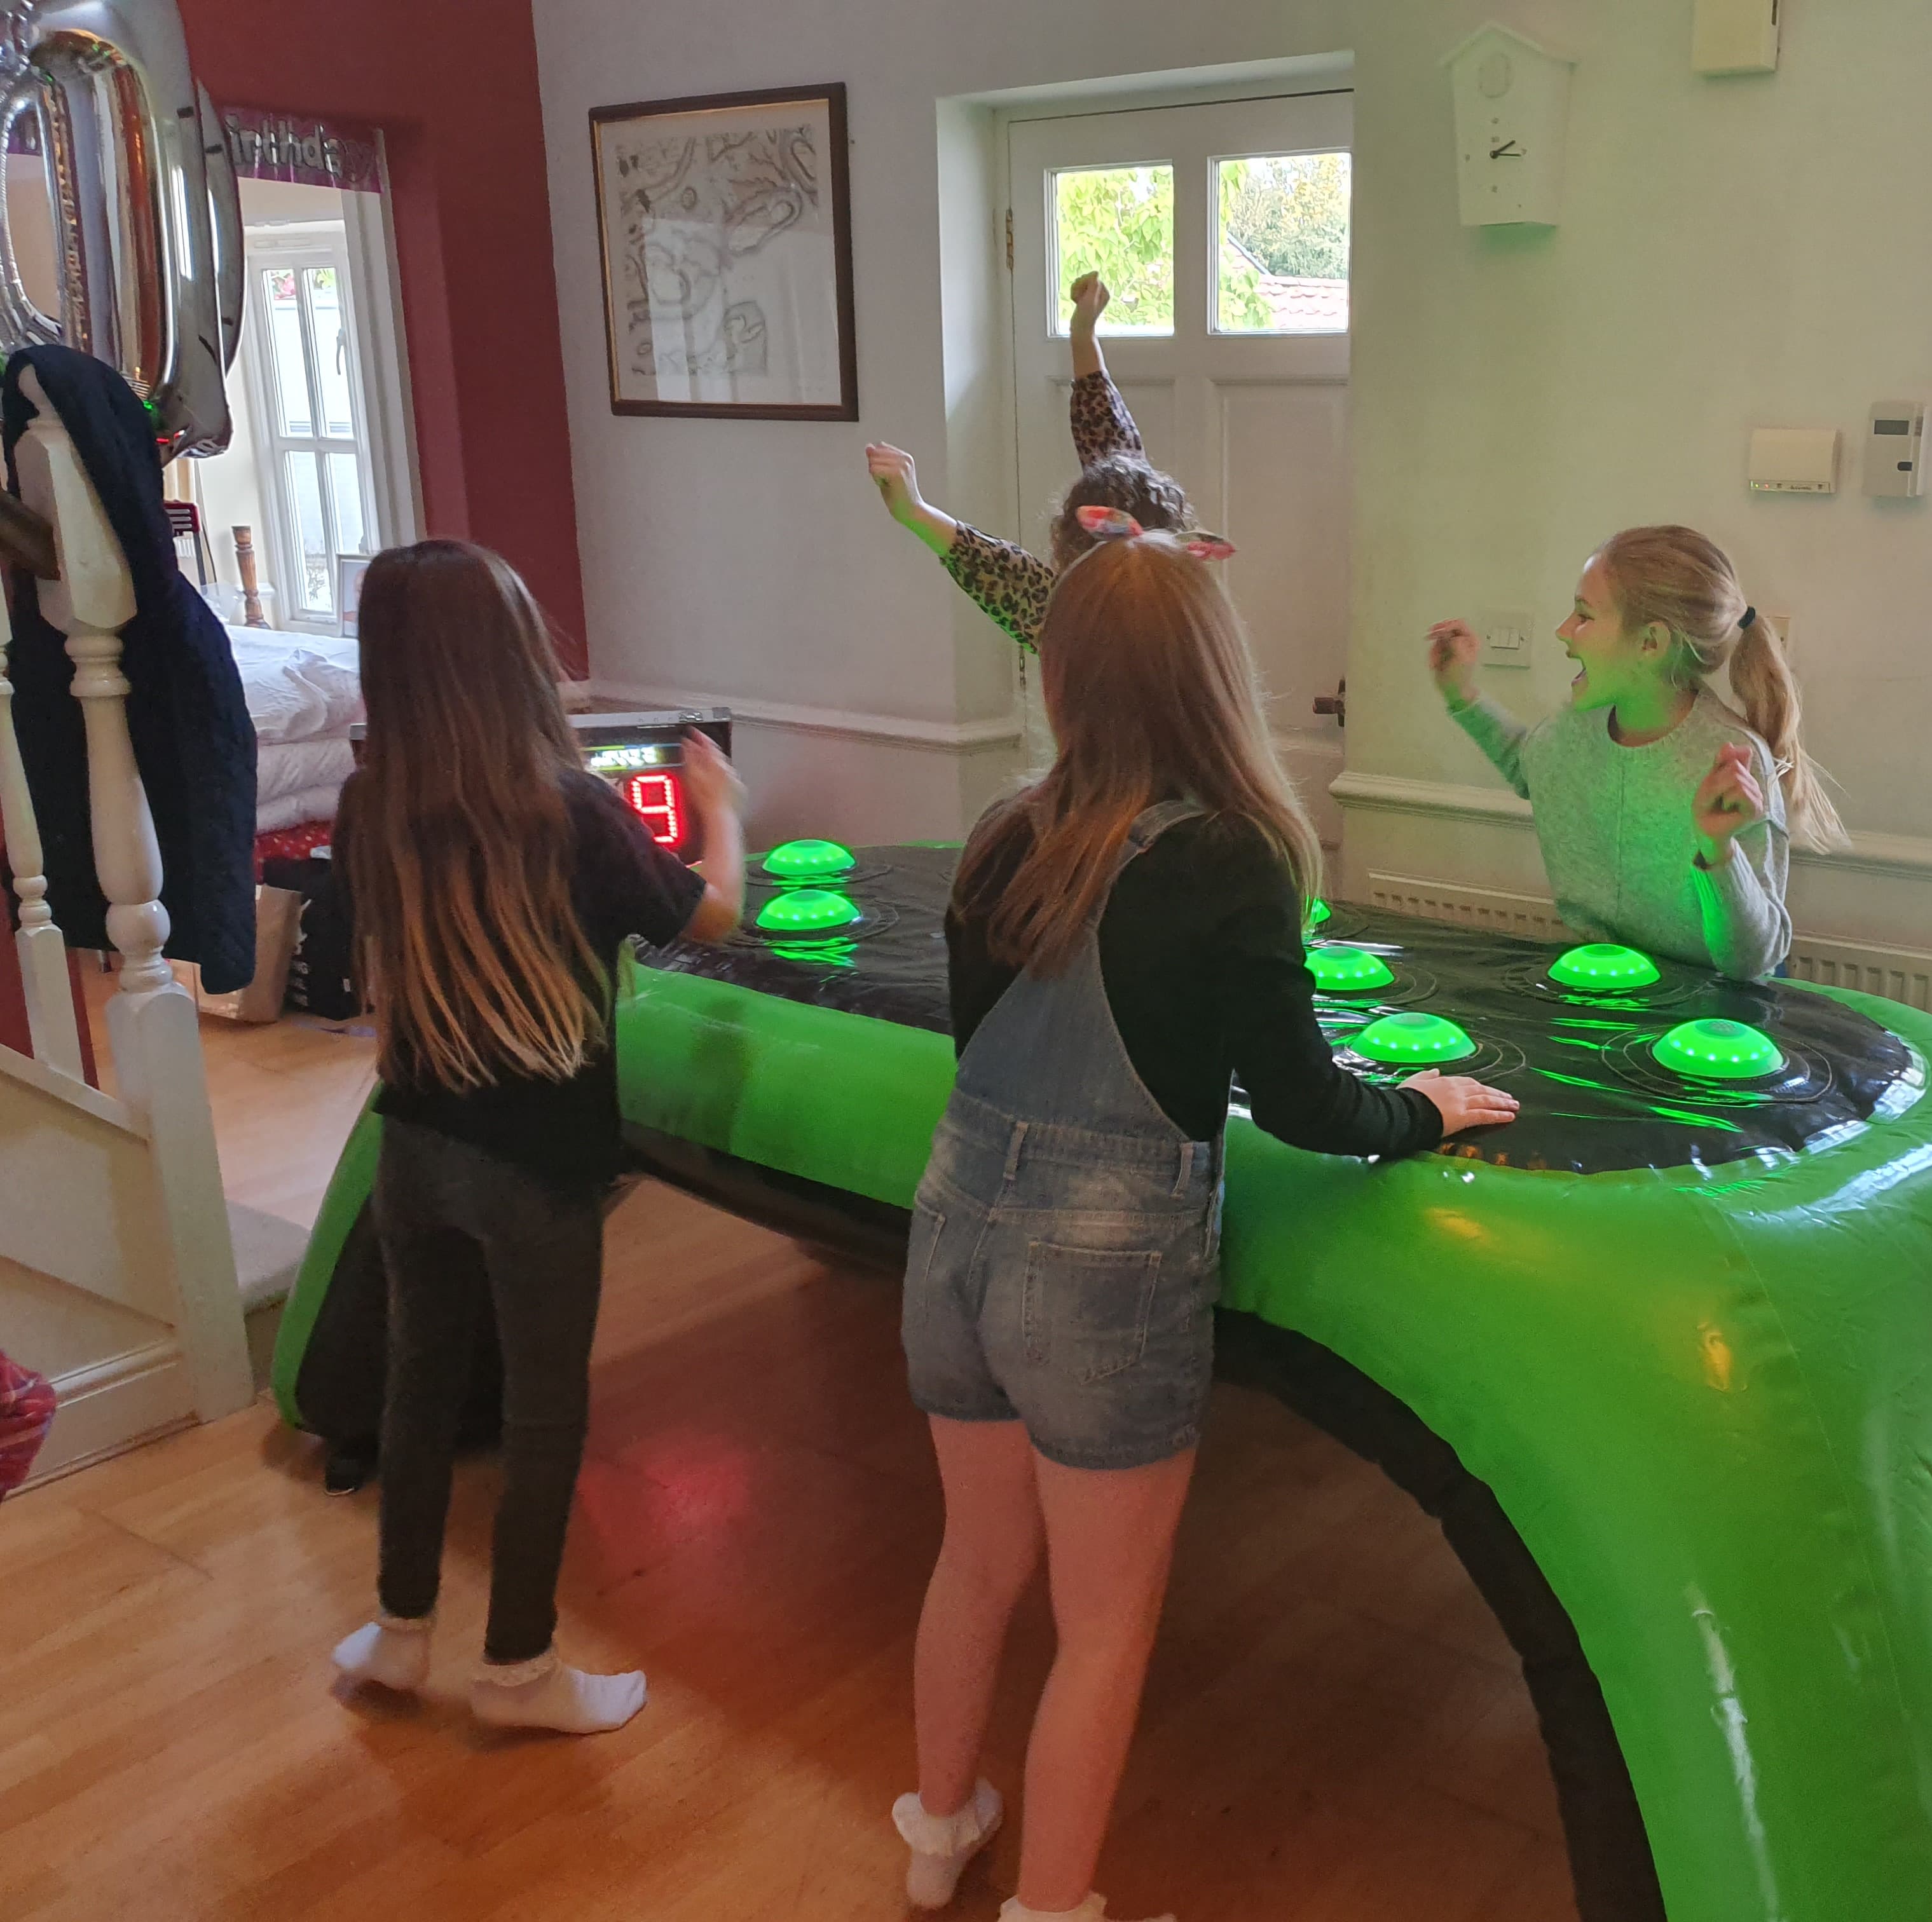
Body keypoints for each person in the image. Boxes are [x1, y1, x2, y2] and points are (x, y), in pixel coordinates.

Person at [893, 519, 1518, 1922]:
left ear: (1061, 683)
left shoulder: (1002, 837)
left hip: (953, 1231)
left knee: (975, 1565)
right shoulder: (1233, 859)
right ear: (1213, 679)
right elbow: (1304, 1105)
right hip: (1101, 1277)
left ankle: (937, 1835)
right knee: (1104, 1629)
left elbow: (978, 1054)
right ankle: (1053, 1909)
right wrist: (1425, 1107)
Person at [325, 540, 746, 1735]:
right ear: (512, 664)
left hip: (414, 1151)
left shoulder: (371, 804)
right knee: (543, 1412)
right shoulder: (569, 806)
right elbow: (708, 918)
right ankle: (518, 1668)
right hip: (539, 1169)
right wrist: (723, 812)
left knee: (417, 1387)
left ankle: (401, 1632)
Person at [1428, 524, 1846, 982]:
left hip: (1713, 1018)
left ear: (1651, 642)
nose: (1564, 632)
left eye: (1583, 616)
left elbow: (1752, 960)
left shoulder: (1732, 760)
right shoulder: (1575, 730)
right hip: (1609, 993)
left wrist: (1717, 849)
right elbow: (1534, 766)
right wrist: (1461, 696)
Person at [865, 272, 1207, 650]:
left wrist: (915, 511)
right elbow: (1111, 445)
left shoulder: (1073, 624)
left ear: (1070, 546)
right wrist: (1083, 336)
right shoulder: (1192, 609)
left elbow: (1000, 572)